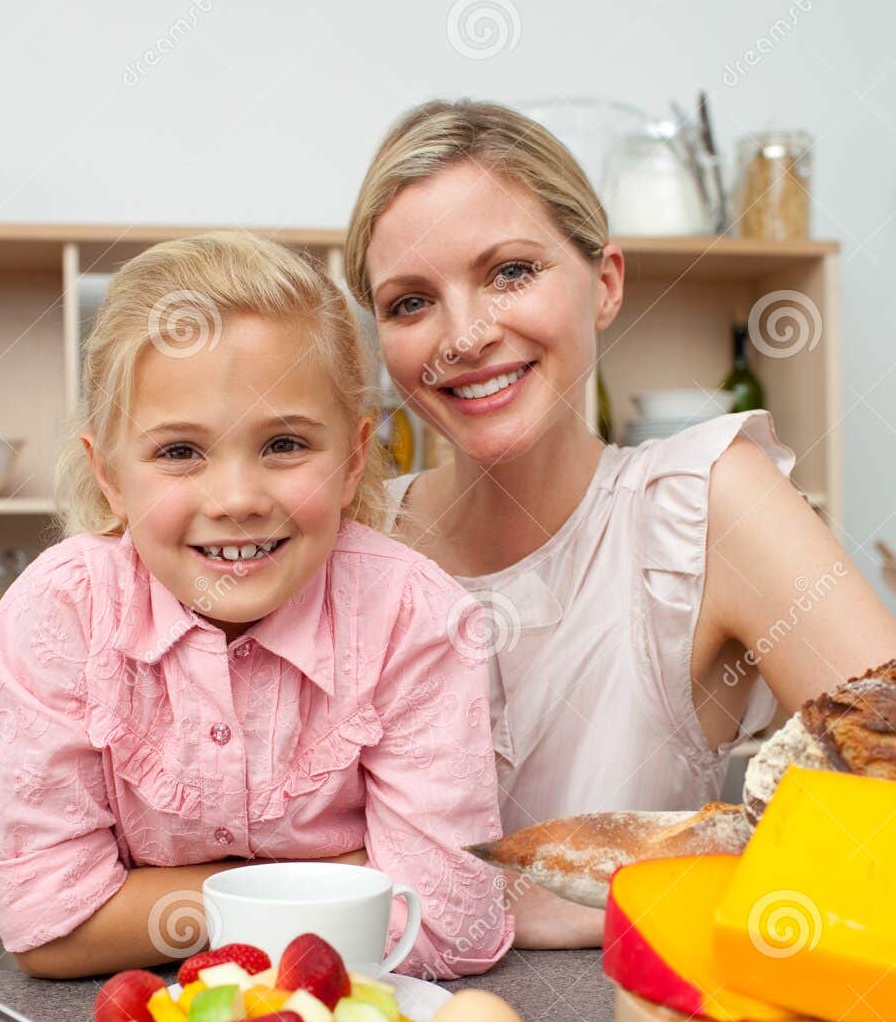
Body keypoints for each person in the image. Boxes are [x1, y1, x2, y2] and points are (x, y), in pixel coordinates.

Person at [344, 99, 896, 947]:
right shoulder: (346, 539)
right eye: (410, 302)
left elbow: (885, 788)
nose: (464, 335)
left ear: (603, 283)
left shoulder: (704, 506)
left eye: (510, 272)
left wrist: (609, 892)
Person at [0, 230, 514, 979]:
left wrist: (142, 907)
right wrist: (342, 879)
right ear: (110, 477)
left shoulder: (416, 619)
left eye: (285, 444)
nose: (236, 501)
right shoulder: (58, 617)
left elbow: (449, 923)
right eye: (179, 452)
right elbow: (49, 929)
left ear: (354, 459)